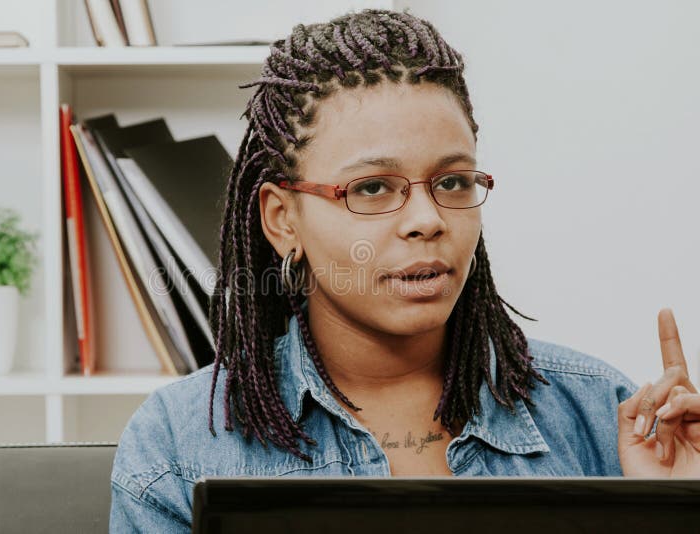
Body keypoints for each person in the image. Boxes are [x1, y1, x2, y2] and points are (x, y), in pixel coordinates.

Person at [109, 8, 700, 531]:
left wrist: (677, 511)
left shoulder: (603, 416)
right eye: (371, 187)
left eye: (453, 181)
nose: (427, 219)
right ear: (282, 219)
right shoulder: (177, 445)